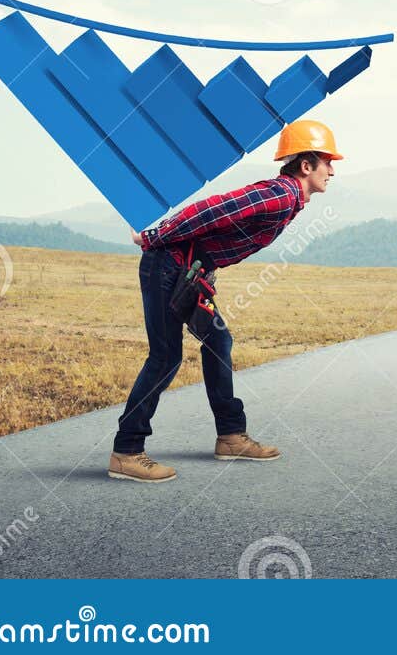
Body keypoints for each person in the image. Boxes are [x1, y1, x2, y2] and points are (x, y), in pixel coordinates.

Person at [106, 119, 344, 483]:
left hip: (188, 271)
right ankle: (126, 451)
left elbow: (222, 231)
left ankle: (231, 436)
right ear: (306, 165)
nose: (332, 169)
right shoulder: (280, 195)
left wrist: (206, 269)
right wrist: (156, 236)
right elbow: (212, 210)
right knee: (165, 356)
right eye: (327, 161)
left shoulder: (290, 199)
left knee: (218, 341)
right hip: (168, 265)